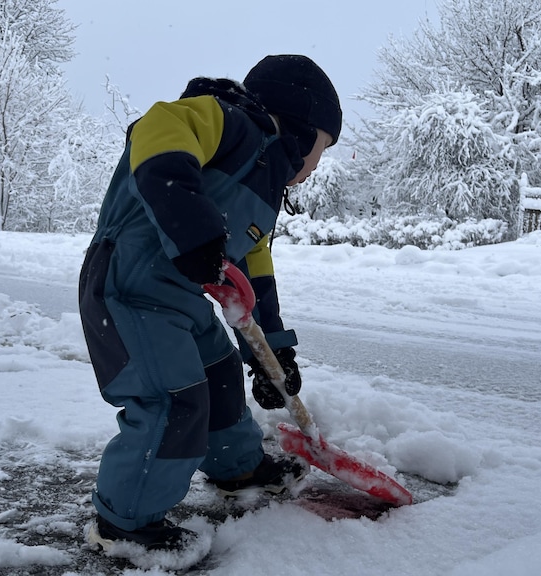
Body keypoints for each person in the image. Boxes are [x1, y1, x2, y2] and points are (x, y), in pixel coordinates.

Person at [78, 54, 342, 554]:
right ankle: (125, 525)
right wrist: (192, 226)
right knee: (172, 400)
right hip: (128, 285)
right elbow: (158, 127)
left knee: (220, 374)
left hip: (178, 295)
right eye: (322, 149)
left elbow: (254, 276)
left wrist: (274, 354)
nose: (314, 167)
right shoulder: (231, 121)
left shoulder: (265, 190)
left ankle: (238, 468)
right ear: (305, 130)